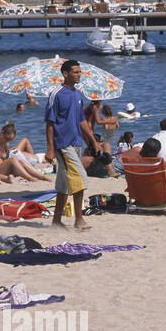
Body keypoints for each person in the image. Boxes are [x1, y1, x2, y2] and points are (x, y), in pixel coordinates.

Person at [44, 59, 93, 230]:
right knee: (79, 177)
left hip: (76, 142)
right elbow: (50, 123)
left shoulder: (78, 94)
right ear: (66, 74)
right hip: (62, 144)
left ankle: (56, 221)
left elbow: (81, 121)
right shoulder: (56, 94)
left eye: (80, 72)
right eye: (76, 72)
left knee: (64, 183)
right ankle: (79, 219)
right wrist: (50, 148)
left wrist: (93, 141)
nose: (79, 75)